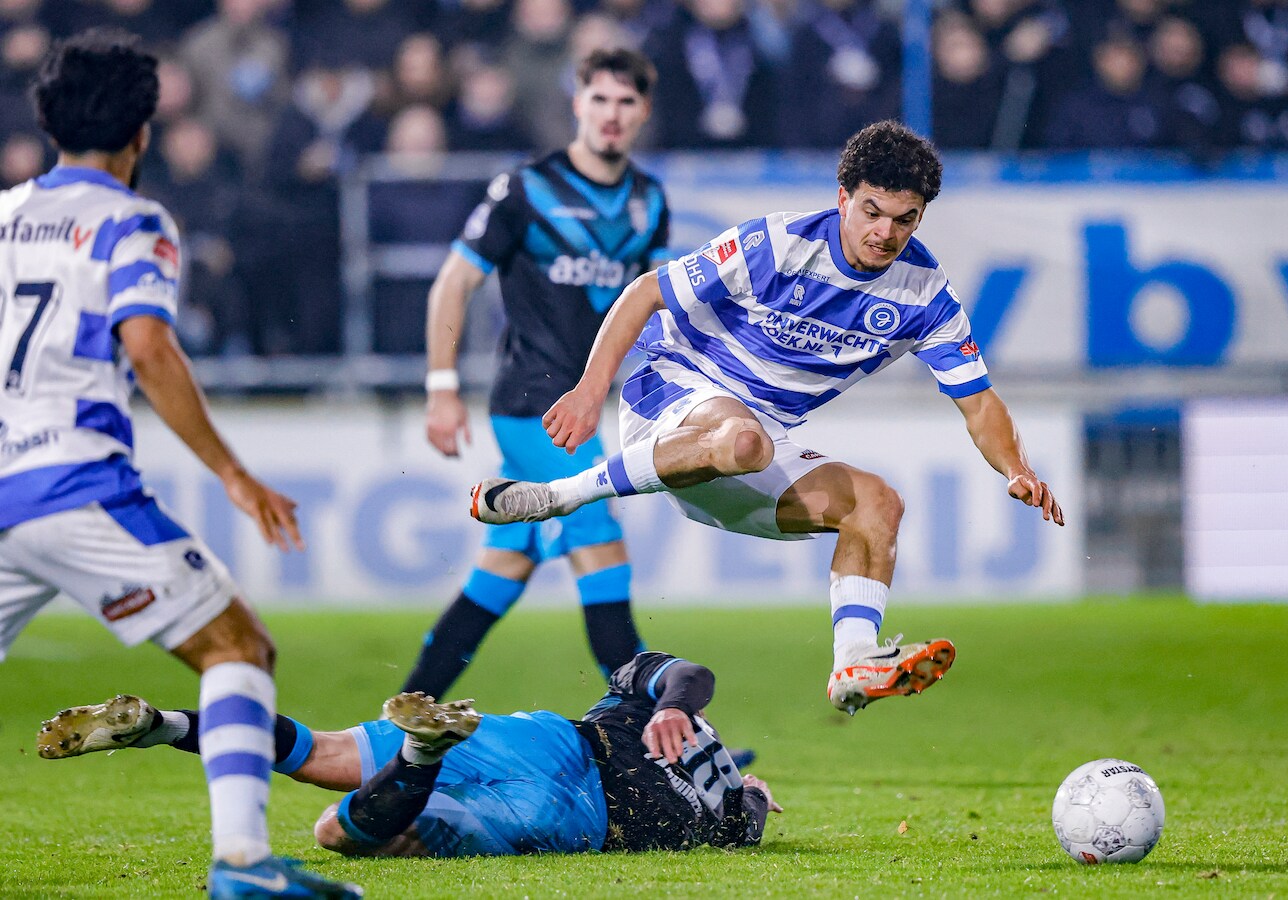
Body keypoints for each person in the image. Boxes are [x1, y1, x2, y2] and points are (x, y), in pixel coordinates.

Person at [471, 120, 1066, 715]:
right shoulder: (777, 245)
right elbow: (646, 292)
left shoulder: (925, 296)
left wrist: (1015, 468)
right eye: (872, 211)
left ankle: (854, 663)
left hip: (751, 445)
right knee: (743, 439)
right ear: (843, 198)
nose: (886, 233)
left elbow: (980, 402)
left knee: (877, 504)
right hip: (674, 395)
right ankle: (558, 496)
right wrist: (588, 389)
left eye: (904, 220)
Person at [0, 30, 359, 899]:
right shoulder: (134, 222)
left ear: (47, 121)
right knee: (237, 646)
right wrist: (234, 473)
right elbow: (150, 346)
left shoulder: (5, 214)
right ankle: (243, 863)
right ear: (144, 133)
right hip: (73, 482)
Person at [408, 48, 670, 699]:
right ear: (577, 103)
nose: (612, 115)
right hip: (532, 407)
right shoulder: (524, 190)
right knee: (603, 550)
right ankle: (657, 729)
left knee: (505, 566)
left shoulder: (649, 201)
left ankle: (402, 713)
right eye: (600, 100)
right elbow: (453, 283)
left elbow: (656, 312)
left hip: (581, 407)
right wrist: (441, 389)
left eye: (626, 102)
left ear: (643, 113)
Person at [37, 651, 781, 857]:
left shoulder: (667, 700)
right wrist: (754, 794)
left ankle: (166, 724)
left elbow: (690, 674)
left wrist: (676, 704)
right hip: (577, 812)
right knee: (340, 831)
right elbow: (748, 810)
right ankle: (424, 754)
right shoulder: (728, 815)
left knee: (323, 750)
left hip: (551, 738)